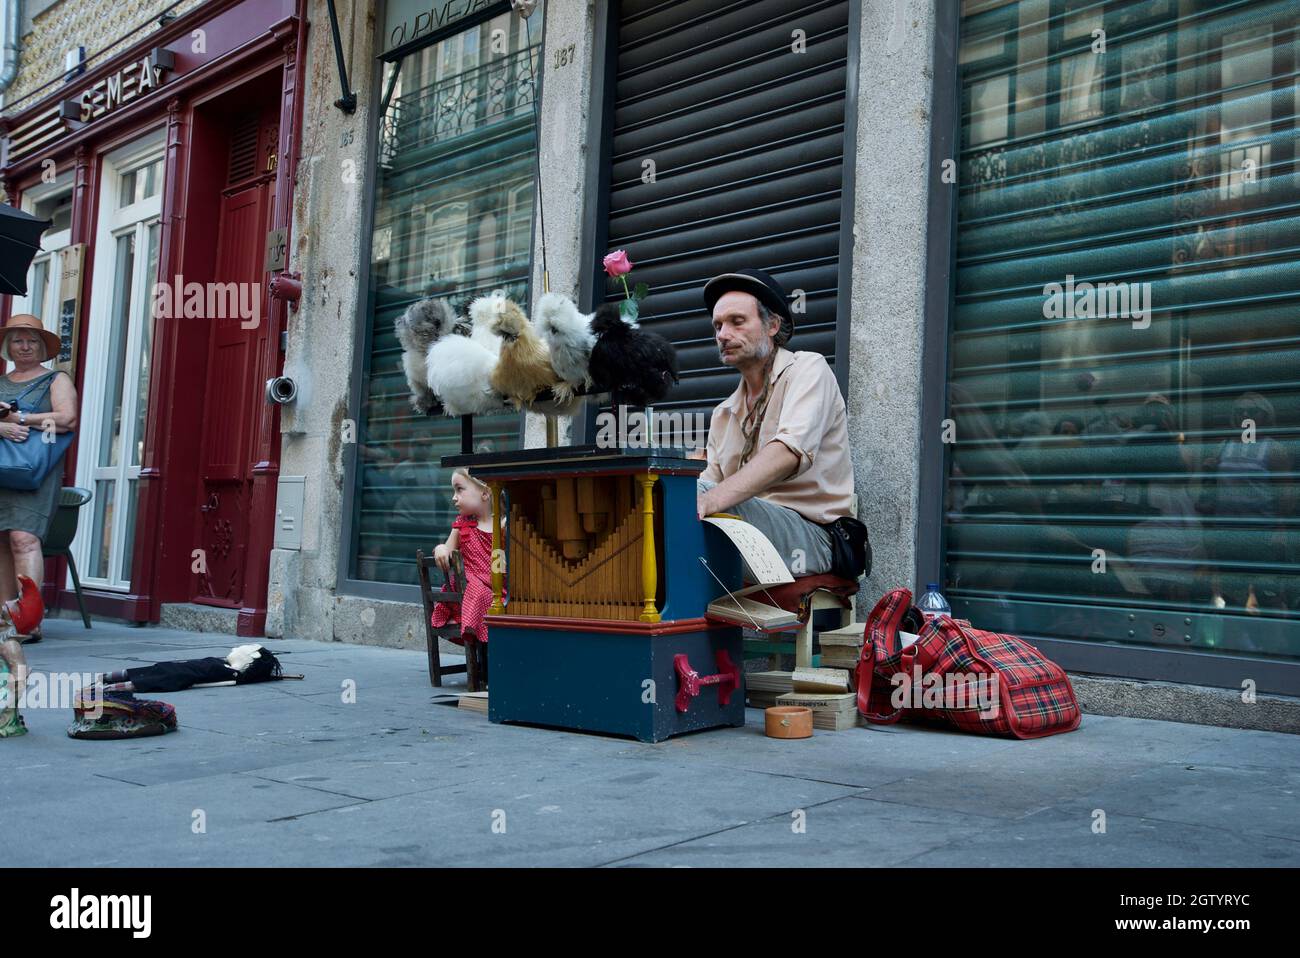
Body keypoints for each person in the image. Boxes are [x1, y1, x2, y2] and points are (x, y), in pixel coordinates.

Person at [695, 269, 855, 576]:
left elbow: (787, 453)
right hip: (749, 530)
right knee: (668, 495)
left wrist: (708, 498)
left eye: (737, 321)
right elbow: (709, 480)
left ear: (772, 325)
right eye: (717, 325)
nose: (723, 335)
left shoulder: (808, 369)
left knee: (688, 499)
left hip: (812, 537)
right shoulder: (723, 413)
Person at [0, 314, 78, 737]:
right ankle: (5, 619)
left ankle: (28, 621)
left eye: (31, 340)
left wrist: (21, 420)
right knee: (1, 541)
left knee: (22, 536)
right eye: (17, 340)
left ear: (43, 346)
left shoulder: (55, 380)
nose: (24, 347)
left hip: (32, 473)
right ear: (7, 345)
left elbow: (65, 421)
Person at [430, 468, 496, 682]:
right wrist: (441, 548)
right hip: (468, 587)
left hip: (494, 583)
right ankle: (483, 658)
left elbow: (503, 562)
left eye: (460, 490)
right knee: (480, 593)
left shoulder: (503, 526)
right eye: (454, 491)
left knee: (497, 597)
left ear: (484, 493)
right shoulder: (462, 525)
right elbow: (448, 550)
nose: (454, 497)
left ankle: (493, 661)